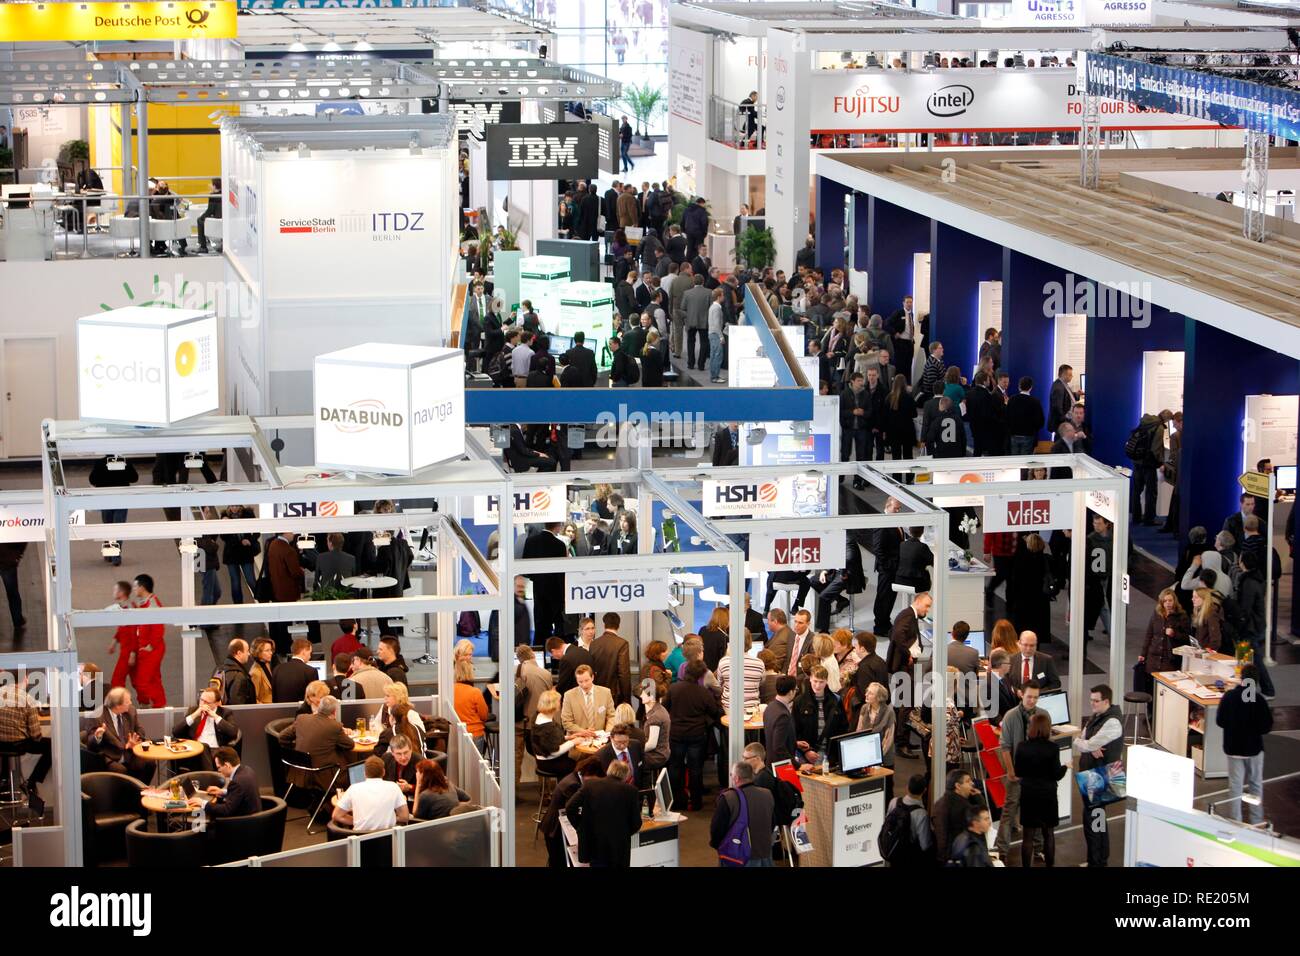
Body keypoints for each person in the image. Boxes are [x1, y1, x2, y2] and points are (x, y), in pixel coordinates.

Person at [1074, 684, 1124, 867]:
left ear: (1106, 701)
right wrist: (1089, 744)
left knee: (1094, 821)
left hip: (1101, 776)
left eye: (1096, 701)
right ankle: (1099, 859)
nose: (1092, 704)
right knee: (1097, 819)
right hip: (1093, 775)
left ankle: (1096, 862)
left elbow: (1083, 742)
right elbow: (1086, 739)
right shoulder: (1098, 716)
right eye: (1091, 700)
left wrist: (1086, 744)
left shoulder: (1112, 722)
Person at [1216, 664, 1272, 824]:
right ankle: (1256, 821)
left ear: (1242, 678)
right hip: (1253, 749)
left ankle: (1236, 821)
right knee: (1255, 784)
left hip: (1233, 748)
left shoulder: (1229, 697)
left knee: (1235, 785)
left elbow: (1220, 721)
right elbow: (1267, 726)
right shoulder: (1259, 700)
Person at [666, 659, 723, 811]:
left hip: (676, 733)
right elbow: (714, 711)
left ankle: (677, 801)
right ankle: (696, 802)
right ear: (701, 674)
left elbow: (665, 707)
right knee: (695, 768)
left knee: (675, 767)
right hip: (697, 734)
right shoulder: (703, 693)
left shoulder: (674, 689)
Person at [995, 679, 1042, 862]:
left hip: (1036, 774)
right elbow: (1005, 746)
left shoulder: (1042, 715)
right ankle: (1001, 850)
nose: (1032, 700)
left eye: (1036, 698)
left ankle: (1038, 848)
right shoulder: (1010, 716)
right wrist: (1010, 771)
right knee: (1009, 810)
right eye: (1029, 696)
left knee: (1036, 812)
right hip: (1016, 772)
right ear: (1022, 694)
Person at [564, 758, 643, 867]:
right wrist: (622, 833)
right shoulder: (631, 791)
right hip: (619, 846)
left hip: (594, 843)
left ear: (608, 771)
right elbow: (636, 824)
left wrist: (581, 826)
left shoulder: (590, 785)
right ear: (626, 777)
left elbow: (570, 808)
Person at [1014, 711, 1067, 867]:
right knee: (1048, 834)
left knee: (1028, 836)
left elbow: (1018, 772)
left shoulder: (1022, 747)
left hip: (1029, 794)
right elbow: (1056, 774)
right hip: (1048, 795)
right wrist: (1065, 767)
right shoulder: (1053, 748)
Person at [0, 674, 51, 813]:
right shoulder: (27, 698)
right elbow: (36, 735)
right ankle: (31, 782)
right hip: (19, 744)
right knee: (51, 746)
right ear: (24, 680)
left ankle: (4, 781)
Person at [710, 760, 776, 866]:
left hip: (737, 856)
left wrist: (719, 846)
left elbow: (717, 829)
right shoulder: (767, 794)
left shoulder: (728, 797)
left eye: (731, 774)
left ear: (736, 778)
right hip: (765, 854)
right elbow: (772, 823)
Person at [82, 687, 150, 781]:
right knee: (120, 771)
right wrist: (97, 736)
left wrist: (136, 740)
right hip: (110, 755)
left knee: (149, 762)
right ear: (117, 705)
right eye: (127, 701)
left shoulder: (131, 711)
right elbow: (90, 744)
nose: (130, 703)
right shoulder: (97, 716)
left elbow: (139, 729)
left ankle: (140, 792)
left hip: (128, 753)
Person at [279, 694, 355, 772]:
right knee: (348, 761)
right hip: (323, 773)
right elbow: (350, 745)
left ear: (319, 707)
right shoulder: (335, 726)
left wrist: (295, 752)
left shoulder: (302, 718)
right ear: (334, 711)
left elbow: (282, 736)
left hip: (298, 772)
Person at [332, 755, 408, 832]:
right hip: (388, 839)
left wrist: (357, 822)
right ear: (383, 772)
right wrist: (389, 819)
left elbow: (336, 815)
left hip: (360, 840)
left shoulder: (353, 788)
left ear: (364, 774)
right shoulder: (393, 787)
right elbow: (404, 817)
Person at [1138, 587, 1191, 696]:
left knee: (1165, 691)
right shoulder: (1156, 614)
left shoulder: (1182, 616)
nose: (1168, 603)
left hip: (1169, 660)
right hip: (1153, 658)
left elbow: (1187, 638)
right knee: (1150, 691)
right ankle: (1150, 712)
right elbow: (1149, 634)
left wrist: (1174, 634)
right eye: (1165, 601)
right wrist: (1143, 654)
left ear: (1174, 601)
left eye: (1170, 600)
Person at [170, 687, 238, 770]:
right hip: (194, 748)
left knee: (204, 747)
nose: (202, 704)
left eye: (207, 702)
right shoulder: (193, 710)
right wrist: (194, 715)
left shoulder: (225, 713)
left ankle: (209, 779)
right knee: (199, 749)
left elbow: (233, 732)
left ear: (217, 703)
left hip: (215, 749)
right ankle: (208, 779)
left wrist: (215, 716)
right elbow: (175, 731)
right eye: (201, 700)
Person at [793, 665, 848, 767]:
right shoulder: (799, 702)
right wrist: (806, 751)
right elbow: (795, 731)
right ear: (810, 679)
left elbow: (843, 728)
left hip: (831, 756)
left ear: (826, 681)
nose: (817, 685)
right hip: (807, 756)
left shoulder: (836, 700)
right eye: (815, 681)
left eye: (821, 682)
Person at [522, 521, 568, 640]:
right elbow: (562, 572)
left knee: (540, 626)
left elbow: (525, 567)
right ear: (557, 527)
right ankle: (557, 656)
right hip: (556, 592)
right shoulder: (560, 545)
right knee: (558, 627)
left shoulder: (531, 542)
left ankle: (540, 654)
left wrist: (536, 579)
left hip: (539, 589)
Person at [1010, 535, 1054, 648]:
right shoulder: (1046, 560)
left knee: (1022, 630)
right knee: (1037, 630)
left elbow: (1014, 582)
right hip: (1040, 602)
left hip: (1023, 601)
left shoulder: (1021, 560)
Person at [129, 574, 166, 707]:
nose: (133, 590)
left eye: (135, 587)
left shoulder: (153, 605)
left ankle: (150, 705)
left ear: (142, 587)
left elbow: (158, 628)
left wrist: (150, 646)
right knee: (154, 679)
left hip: (151, 649)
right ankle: (159, 705)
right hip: (145, 648)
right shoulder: (143, 603)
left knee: (142, 681)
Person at [881, 774, 934, 867]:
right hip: (908, 857)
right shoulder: (921, 814)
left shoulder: (894, 802)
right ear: (924, 791)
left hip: (893, 852)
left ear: (907, 787)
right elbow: (925, 844)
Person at [266, 532, 305, 654]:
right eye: (291, 531)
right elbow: (295, 572)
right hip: (287, 590)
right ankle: (285, 646)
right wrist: (301, 571)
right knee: (285, 621)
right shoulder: (288, 550)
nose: (293, 533)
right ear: (285, 532)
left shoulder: (272, 545)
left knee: (277, 620)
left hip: (275, 588)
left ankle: (276, 645)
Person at [197, 746, 261, 819]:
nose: (219, 771)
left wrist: (203, 803)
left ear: (227, 765)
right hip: (253, 816)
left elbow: (226, 810)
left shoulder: (237, 782)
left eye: (219, 767)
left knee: (204, 815)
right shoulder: (247, 770)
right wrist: (222, 792)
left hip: (243, 822)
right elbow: (241, 792)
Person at [932, 769, 981, 863]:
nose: (972, 784)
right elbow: (981, 824)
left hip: (943, 856)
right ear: (958, 786)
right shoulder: (963, 806)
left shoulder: (940, 802)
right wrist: (978, 798)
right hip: (959, 855)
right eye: (968, 781)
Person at [561, 664, 616, 737]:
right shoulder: (569, 695)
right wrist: (583, 732)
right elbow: (566, 722)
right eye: (580, 682)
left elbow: (612, 716)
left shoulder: (605, 693)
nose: (584, 685)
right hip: (578, 739)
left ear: (592, 677)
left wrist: (607, 733)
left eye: (587, 680)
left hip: (601, 739)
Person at [590, 612, 632, 705]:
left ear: (604, 624)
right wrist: (627, 699)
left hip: (597, 692)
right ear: (618, 625)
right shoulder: (622, 643)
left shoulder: (594, 643)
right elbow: (623, 673)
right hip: (614, 694)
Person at [855, 681, 895, 772]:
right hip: (865, 755)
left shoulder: (889, 712)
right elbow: (859, 730)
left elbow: (888, 739)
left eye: (870, 693)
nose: (866, 694)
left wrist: (877, 758)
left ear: (879, 697)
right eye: (867, 692)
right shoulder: (864, 708)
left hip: (883, 757)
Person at [1007, 630, 1060, 695]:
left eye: (1032, 645)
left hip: (1038, 700)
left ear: (1036, 645)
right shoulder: (1010, 660)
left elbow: (1056, 683)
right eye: (1025, 645)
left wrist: (1037, 693)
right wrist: (1016, 691)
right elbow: (1005, 682)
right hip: (1014, 701)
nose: (1028, 649)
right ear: (1019, 644)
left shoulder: (1046, 660)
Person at [269, 637, 315, 704]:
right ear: (304, 651)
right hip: (302, 712)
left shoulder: (277, 669)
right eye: (310, 653)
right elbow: (314, 698)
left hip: (281, 712)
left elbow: (274, 697)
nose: (310, 656)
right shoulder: (311, 671)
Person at [948, 802, 993, 867]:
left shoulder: (960, 837)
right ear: (975, 823)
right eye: (986, 819)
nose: (989, 822)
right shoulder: (974, 848)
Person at [1191, 586, 1225, 653]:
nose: (1192, 599)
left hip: (1207, 655)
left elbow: (1216, 640)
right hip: (1201, 651)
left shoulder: (1211, 614)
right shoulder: (1200, 611)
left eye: (1196, 597)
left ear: (1204, 599)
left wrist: (1205, 651)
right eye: (1193, 596)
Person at [1047, 364, 1076, 435]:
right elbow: (1057, 408)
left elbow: (1068, 397)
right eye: (1070, 374)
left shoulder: (1063, 384)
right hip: (1062, 424)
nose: (1072, 376)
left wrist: (1077, 394)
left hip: (1065, 421)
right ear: (1063, 375)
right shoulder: (1058, 387)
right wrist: (1066, 421)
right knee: (1061, 443)